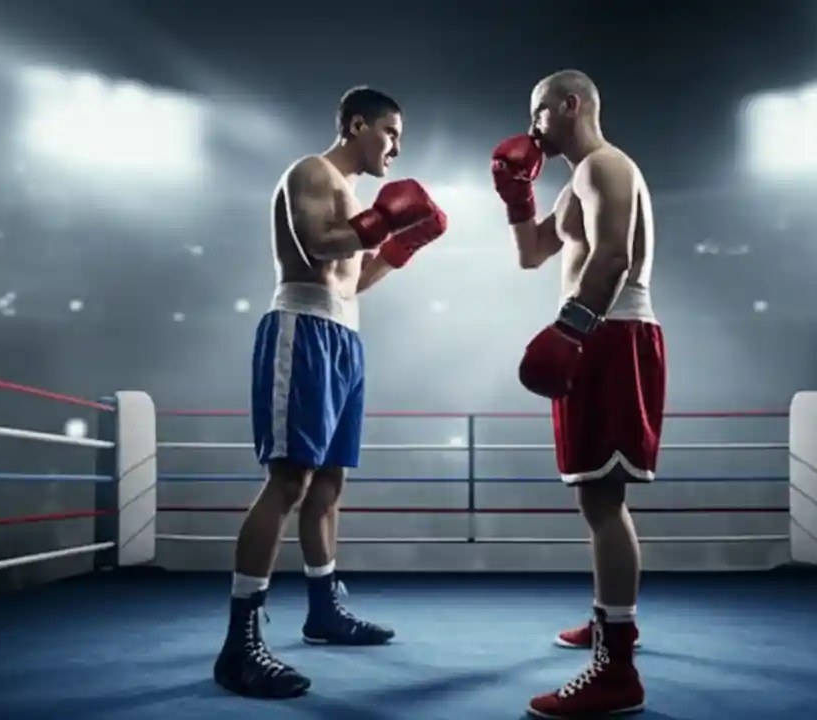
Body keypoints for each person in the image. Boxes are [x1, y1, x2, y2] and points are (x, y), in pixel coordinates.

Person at [214, 86, 448, 699]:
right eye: (391, 132)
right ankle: (239, 644)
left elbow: (351, 280)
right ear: (355, 124)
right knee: (288, 480)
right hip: (302, 329)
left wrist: (401, 246)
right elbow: (319, 245)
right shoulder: (310, 173)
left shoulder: (357, 197)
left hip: (344, 335)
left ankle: (323, 608)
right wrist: (384, 221)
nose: (397, 147)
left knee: (330, 483)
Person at [491, 69, 665, 718]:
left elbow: (613, 257)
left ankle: (616, 668)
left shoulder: (606, 168)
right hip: (596, 331)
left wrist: (571, 329)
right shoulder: (577, 180)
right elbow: (534, 254)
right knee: (595, 495)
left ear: (569, 105)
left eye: (538, 112)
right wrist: (516, 198)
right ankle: (611, 620)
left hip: (610, 331)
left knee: (602, 496)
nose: (532, 126)